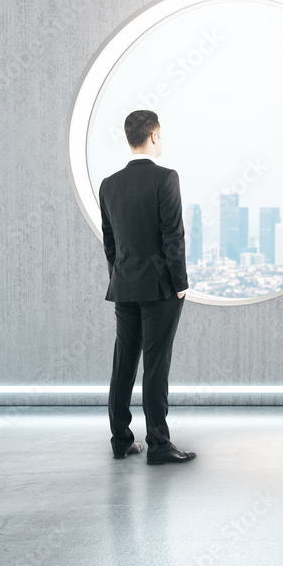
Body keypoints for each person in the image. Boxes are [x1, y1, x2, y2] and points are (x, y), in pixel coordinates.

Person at [99, 110, 196, 465]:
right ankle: (157, 444)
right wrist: (180, 284)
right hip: (160, 289)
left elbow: (109, 242)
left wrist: (118, 275)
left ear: (129, 137)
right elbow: (174, 236)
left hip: (123, 285)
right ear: (154, 136)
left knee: (123, 363)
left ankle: (121, 440)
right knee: (156, 365)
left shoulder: (109, 184)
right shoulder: (166, 178)